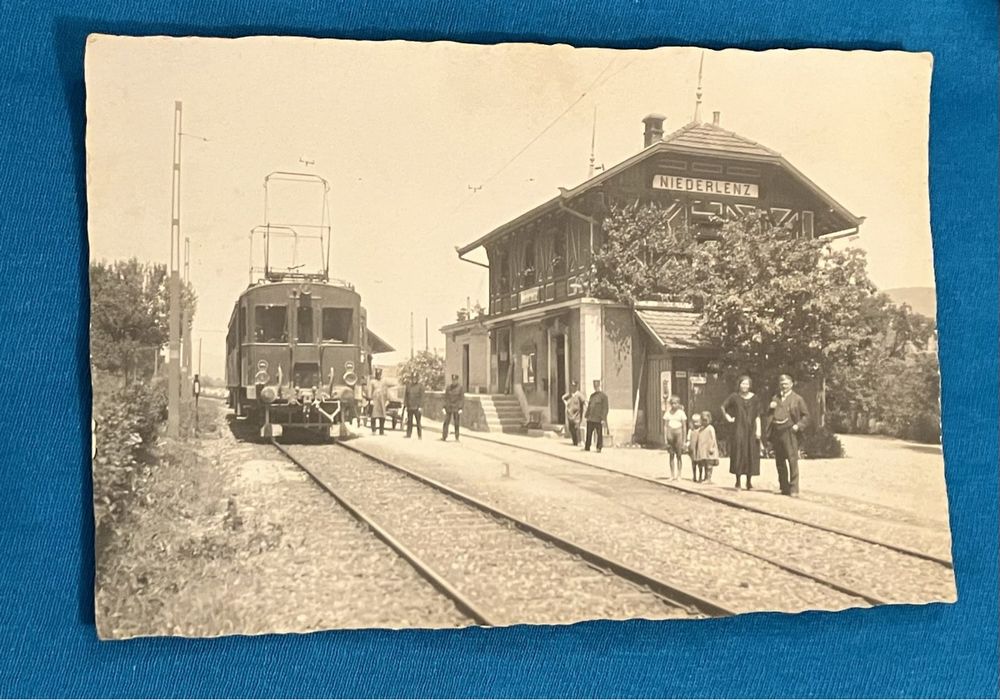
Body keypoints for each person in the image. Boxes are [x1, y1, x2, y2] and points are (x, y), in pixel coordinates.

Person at [767, 373, 810, 496]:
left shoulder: (797, 399)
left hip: (790, 432)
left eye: (786, 384)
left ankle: (794, 488)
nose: (783, 386)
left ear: (791, 385)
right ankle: (784, 487)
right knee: (779, 461)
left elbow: (806, 416)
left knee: (792, 460)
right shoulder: (775, 398)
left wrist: (798, 426)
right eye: (781, 384)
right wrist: (770, 408)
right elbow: (769, 414)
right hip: (777, 432)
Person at [722, 375, 762, 490]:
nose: (744, 386)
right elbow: (723, 407)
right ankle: (738, 481)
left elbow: (758, 415)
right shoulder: (734, 397)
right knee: (739, 453)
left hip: (751, 430)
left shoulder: (755, 398)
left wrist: (758, 430)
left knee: (751, 453)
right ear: (739, 385)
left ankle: (749, 482)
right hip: (738, 429)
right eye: (742, 384)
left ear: (750, 385)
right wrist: (729, 418)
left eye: (747, 384)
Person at [663, 395, 688, 480]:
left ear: (679, 404)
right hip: (670, 433)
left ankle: (679, 474)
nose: (674, 405)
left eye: (676, 403)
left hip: (679, 433)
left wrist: (684, 440)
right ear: (670, 404)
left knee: (679, 455)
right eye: (672, 403)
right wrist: (665, 438)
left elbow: (684, 426)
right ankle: (672, 474)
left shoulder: (681, 413)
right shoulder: (667, 413)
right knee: (671, 454)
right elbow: (665, 426)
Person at [584, 379, 608, 453]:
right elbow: (589, 406)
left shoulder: (603, 396)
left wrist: (603, 418)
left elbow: (605, 408)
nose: (596, 387)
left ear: (599, 386)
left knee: (599, 434)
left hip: (598, 418)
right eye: (595, 386)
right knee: (589, 434)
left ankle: (599, 447)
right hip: (590, 418)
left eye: (597, 386)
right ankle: (587, 447)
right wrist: (586, 415)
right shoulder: (592, 396)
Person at [695, 411, 719, 483]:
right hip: (703, 449)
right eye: (703, 420)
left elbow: (713, 438)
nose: (704, 422)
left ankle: (709, 478)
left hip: (709, 449)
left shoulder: (710, 428)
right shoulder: (701, 429)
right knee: (705, 463)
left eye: (706, 420)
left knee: (709, 464)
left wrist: (711, 447)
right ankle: (705, 478)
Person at [561, 380, 586, 446]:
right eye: (572, 386)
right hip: (570, 415)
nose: (573, 387)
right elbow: (563, 397)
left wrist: (586, 409)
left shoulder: (579, 394)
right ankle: (575, 442)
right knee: (571, 429)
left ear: (577, 386)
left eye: (574, 386)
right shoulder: (569, 394)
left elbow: (584, 402)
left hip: (577, 415)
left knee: (577, 428)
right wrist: (566, 403)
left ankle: (580, 441)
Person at [441, 374, 464, 441]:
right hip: (449, 407)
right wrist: (444, 407)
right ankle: (444, 436)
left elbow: (461, 399)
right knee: (446, 422)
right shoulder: (448, 388)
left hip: (456, 407)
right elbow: (445, 398)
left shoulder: (460, 388)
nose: (454, 381)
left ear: (457, 380)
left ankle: (457, 437)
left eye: (455, 380)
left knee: (456, 423)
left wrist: (461, 408)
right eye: (453, 380)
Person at [366, 369, 388, 436]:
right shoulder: (372, 382)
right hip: (375, 399)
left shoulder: (384, 381)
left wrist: (387, 400)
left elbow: (386, 390)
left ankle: (381, 431)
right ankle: (373, 430)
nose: (378, 376)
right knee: (374, 415)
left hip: (382, 400)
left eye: (379, 374)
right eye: (377, 374)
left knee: (382, 416)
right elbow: (369, 391)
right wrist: (370, 399)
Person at [686, 412, 703, 482]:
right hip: (693, 449)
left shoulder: (702, 430)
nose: (696, 424)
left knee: (700, 463)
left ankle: (700, 476)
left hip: (699, 448)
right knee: (693, 463)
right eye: (694, 422)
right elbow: (688, 439)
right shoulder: (691, 430)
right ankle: (694, 476)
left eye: (697, 422)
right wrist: (687, 445)